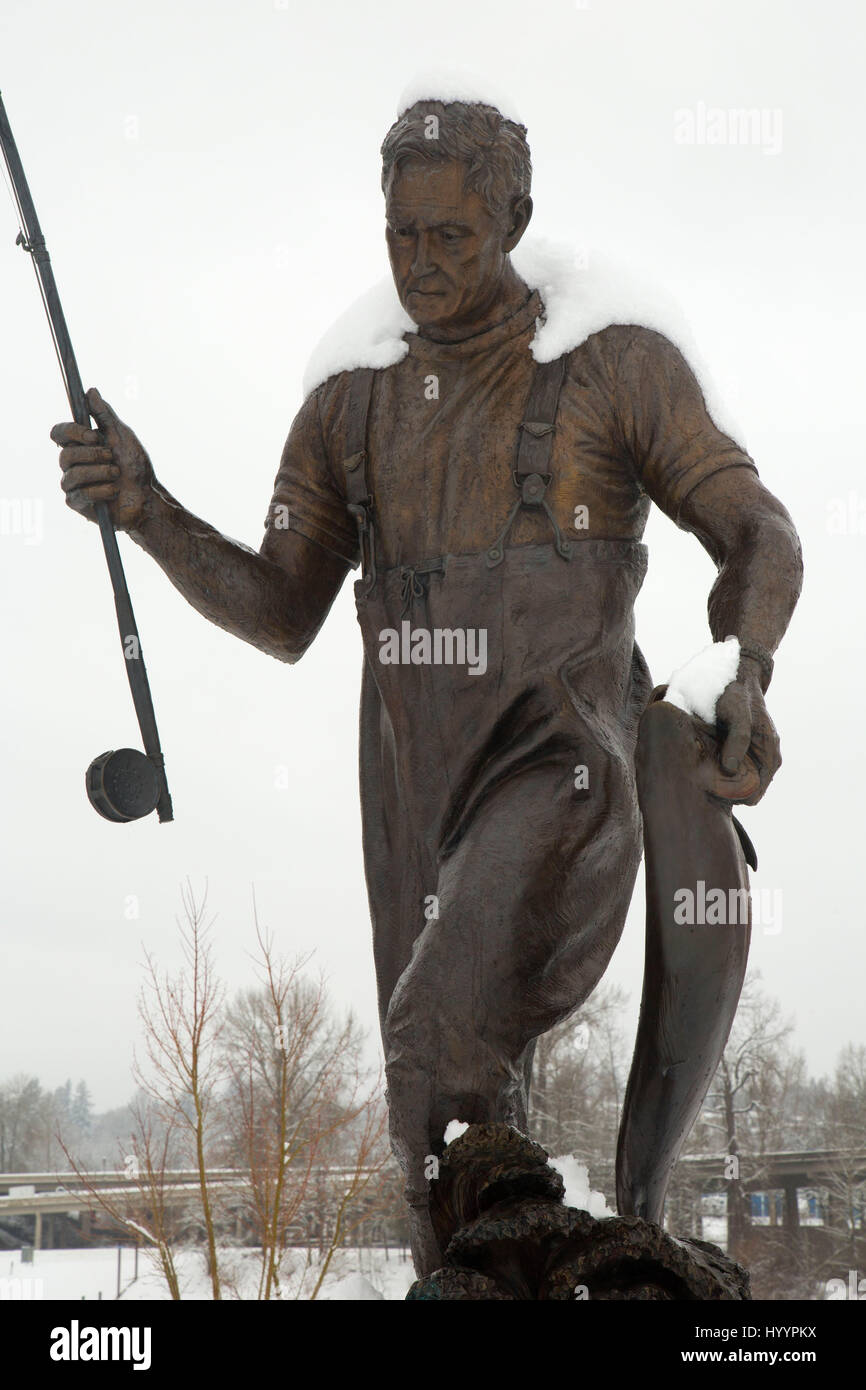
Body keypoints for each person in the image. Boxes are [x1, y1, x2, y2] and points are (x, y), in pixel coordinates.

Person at [51, 93, 802, 1277]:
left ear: (514, 217)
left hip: (560, 763)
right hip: (409, 791)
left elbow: (756, 531)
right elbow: (282, 611)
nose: (421, 264)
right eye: (401, 235)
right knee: (432, 1137)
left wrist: (743, 670)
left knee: (433, 1029)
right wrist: (147, 511)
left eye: (451, 237)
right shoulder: (348, 407)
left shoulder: (611, 365)